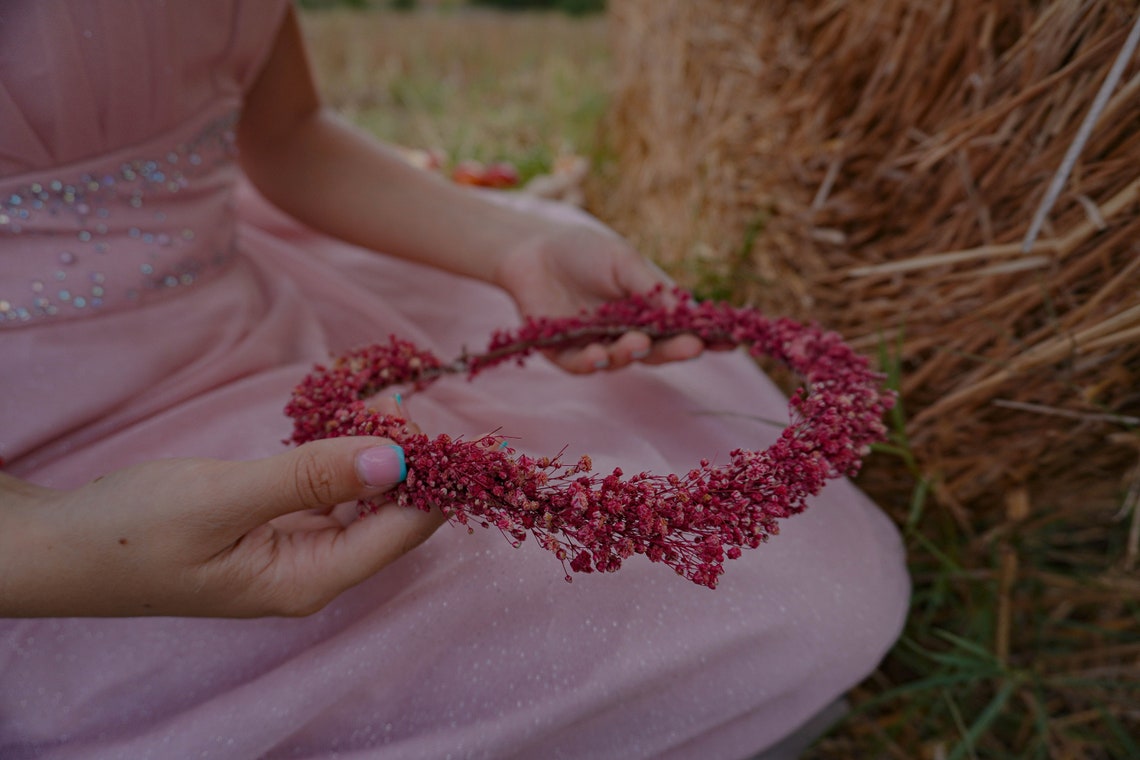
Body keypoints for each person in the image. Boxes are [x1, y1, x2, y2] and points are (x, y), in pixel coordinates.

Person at [0, 2, 910, 757]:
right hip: (50, 441)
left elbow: (286, 133)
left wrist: (514, 244)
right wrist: (49, 550)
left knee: (781, 568)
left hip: (248, 299)